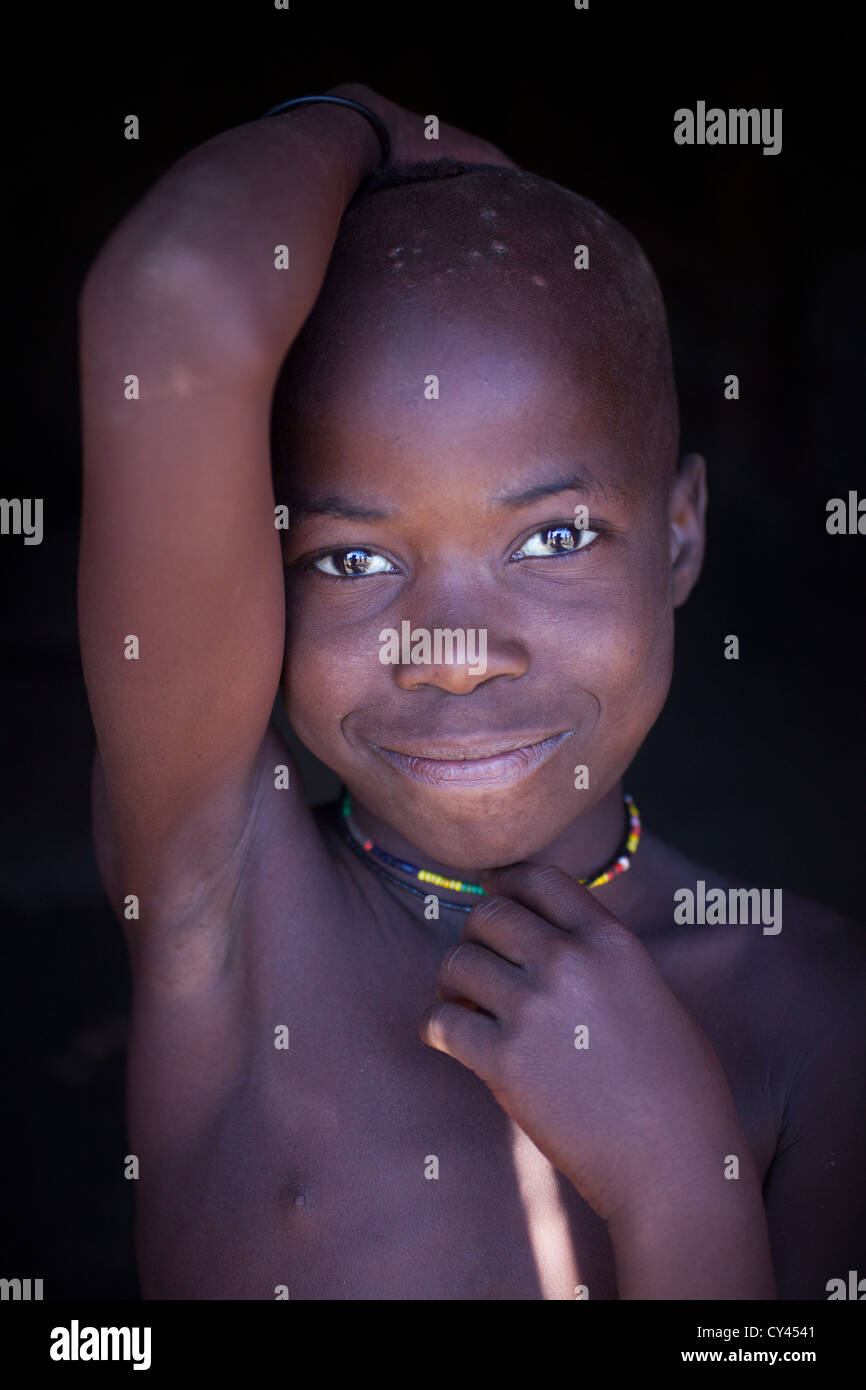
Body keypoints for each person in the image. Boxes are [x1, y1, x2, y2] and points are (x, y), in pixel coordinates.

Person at [77, 83, 865, 1299]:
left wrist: (676, 1183)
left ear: (678, 535)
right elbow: (172, 308)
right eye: (352, 559)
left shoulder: (820, 1014)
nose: (453, 649)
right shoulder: (226, 891)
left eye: (551, 539)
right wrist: (376, 124)